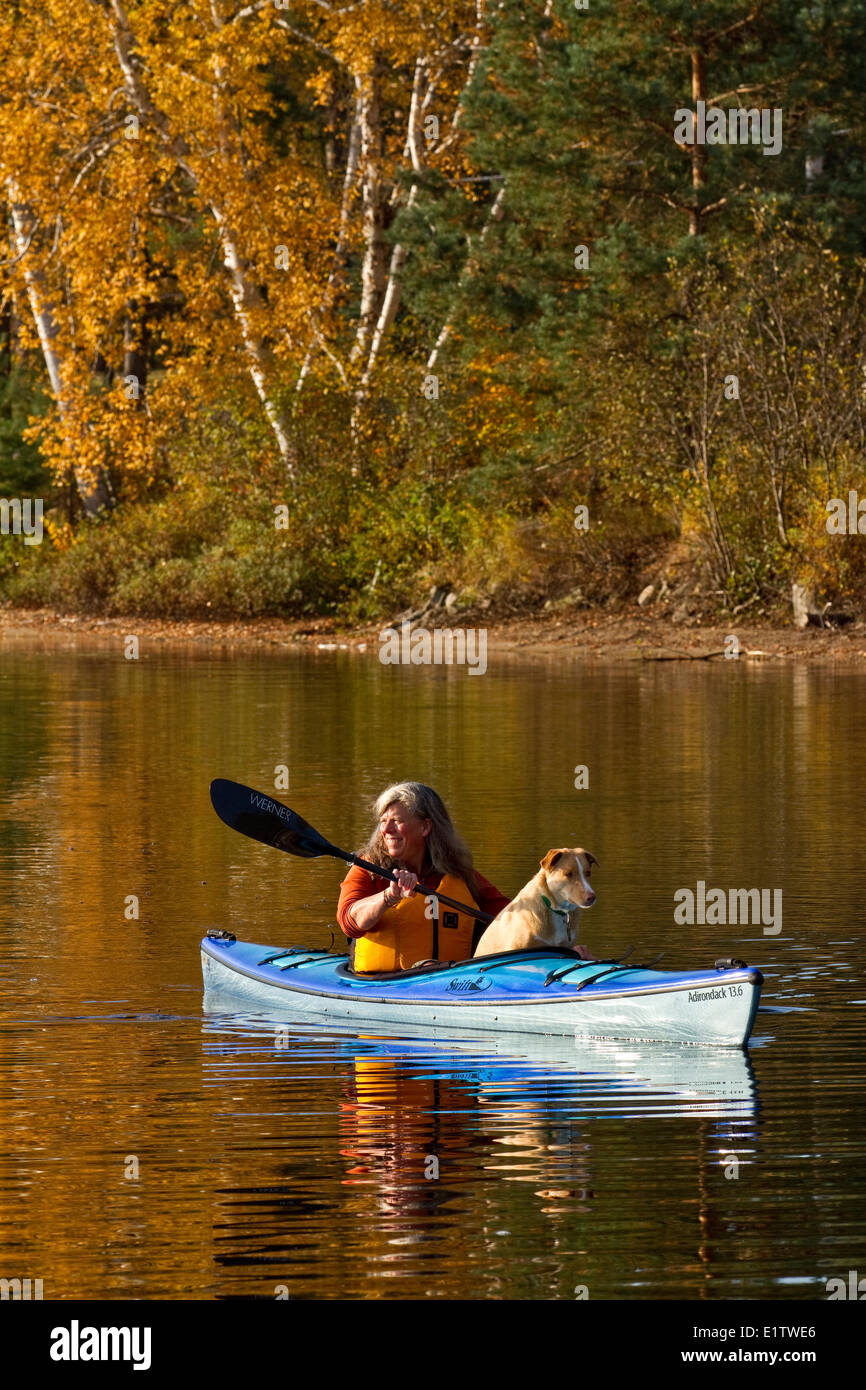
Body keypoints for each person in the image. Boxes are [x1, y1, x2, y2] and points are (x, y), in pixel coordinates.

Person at [337, 782, 510, 972]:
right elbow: (348, 923)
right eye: (383, 821)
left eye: (396, 821)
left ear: (425, 827)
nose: (386, 829)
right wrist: (389, 897)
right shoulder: (368, 869)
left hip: (453, 983)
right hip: (382, 983)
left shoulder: (458, 874)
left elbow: (511, 918)